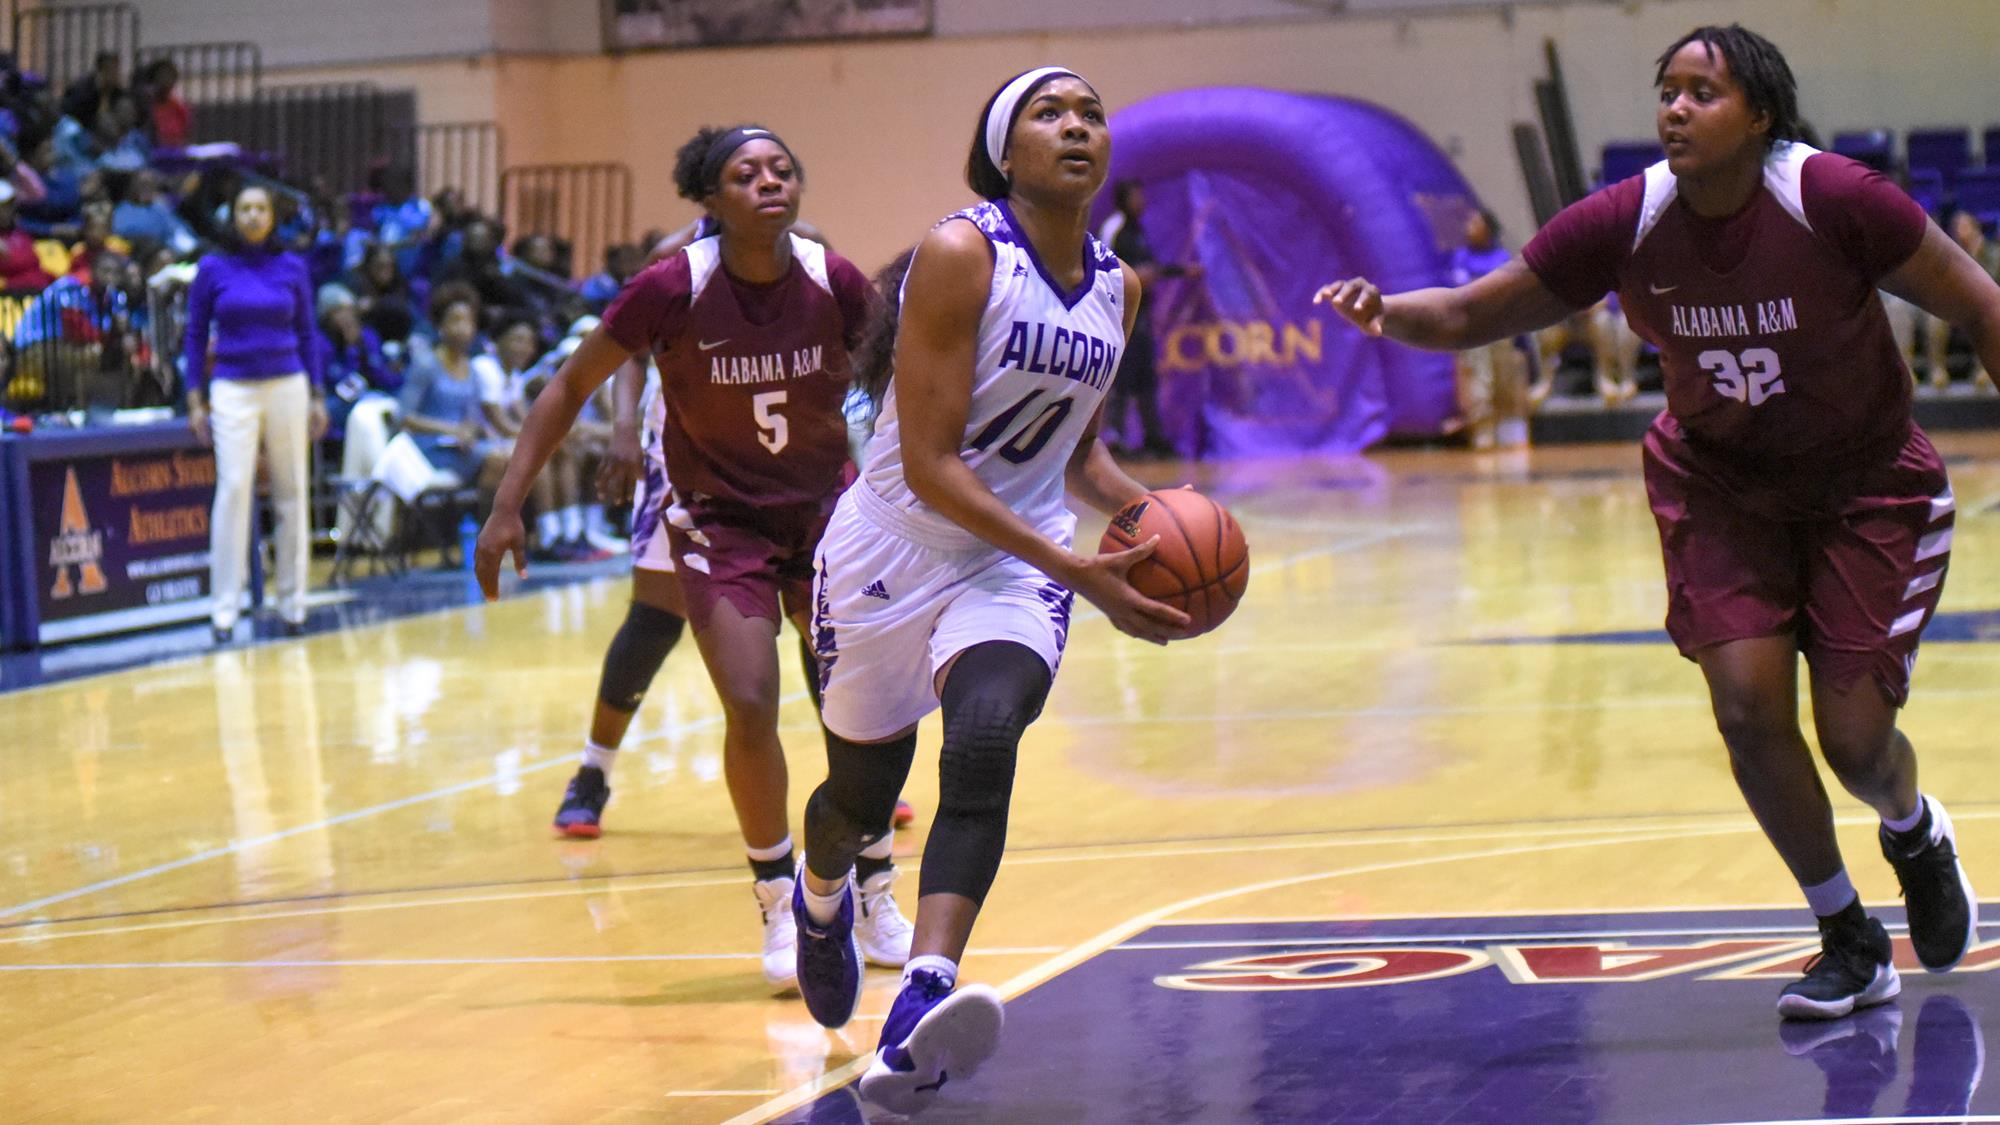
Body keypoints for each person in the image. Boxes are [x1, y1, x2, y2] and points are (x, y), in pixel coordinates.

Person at [1314, 25, 1988, 1021]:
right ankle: (1845, 934)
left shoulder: (1832, 197)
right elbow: (1471, 313)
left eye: (1701, 92)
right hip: (1722, 488)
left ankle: (1911, 829)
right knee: (1746, 711)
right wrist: (1387, 312)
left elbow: (1980, 304)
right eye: (1665, 90)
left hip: (1863, 486)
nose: (1674, 108)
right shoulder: (1628, 219)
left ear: (1758, 115)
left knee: (1854, 744)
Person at [789, 67, 1189, 1113]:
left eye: (1091, 113)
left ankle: (922, 995)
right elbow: (930, 465)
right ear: (1004, 153)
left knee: (983, 737)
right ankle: (820, 894)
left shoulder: (1119, 287)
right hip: (890, 549)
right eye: (1049, 114)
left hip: (1012, 560)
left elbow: (1077, 452)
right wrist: (1077, 570)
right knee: (856, 803)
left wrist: (1158, 516)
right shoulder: (962, 252)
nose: (1076, 127)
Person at [474, 123, 913, 993]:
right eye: (747, 173)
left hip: (826, 513)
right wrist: (507, 502)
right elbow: (571, 383)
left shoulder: (831, 276)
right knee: (748, 699)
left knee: (858, 701)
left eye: (782, 169)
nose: (770, 182)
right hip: (719, 519)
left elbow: (906, 376)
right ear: (711, 198)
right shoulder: (673, 282)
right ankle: (778, 900)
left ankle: (872, 886)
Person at [184, 184, 326, 642]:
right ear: (233, 215)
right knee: (232, 489)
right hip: (231, 387)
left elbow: (308, 332)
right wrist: (194, 397)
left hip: (288, 384)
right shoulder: (212, 267)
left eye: (260, 208)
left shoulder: (292, 266)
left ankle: (293, 603)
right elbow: (194, 334)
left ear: (272, 216)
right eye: (244, 208)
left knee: (291, 491)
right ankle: (224, 609)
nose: (252, 216)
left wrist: (318, 394)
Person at [1096, 178, 1197, 459]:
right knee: (1121, 379)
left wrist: (1182, 271)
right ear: (1124, 199)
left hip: (1141, 317)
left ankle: (1153, 437)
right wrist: (1131, 280)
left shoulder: (1137, 229)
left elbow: (1151, 268)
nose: (1141, 200)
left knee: (1145, 379)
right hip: (1118, 318)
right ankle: (1114, 439)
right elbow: (1104, 270)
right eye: (1136, 195)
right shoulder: (1114, 229)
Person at [1445, 208, 1533, 449]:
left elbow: (1506, 292)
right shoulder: (1461, 257)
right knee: (1479, 382)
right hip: (1474, 331)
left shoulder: (1501, 257)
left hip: (1501, 329)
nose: (1469, 227)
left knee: (1505, 380)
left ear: (1488, 229)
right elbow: (1463, 292)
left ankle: (1509, 431)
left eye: (1475, 222)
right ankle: (1483, 433)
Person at [1922, 208, 2000, 390]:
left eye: (1963, 226)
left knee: (1988, 316)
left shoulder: (1994, 254)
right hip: (1957, 305)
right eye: (1956, 227)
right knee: (1936, 317)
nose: (1959, 230)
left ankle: (1984, 370)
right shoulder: (1951, 254)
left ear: (1975, 228)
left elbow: (1993, 284)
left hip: (1985, 304)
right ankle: (1937, 370)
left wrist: (1976, 255)